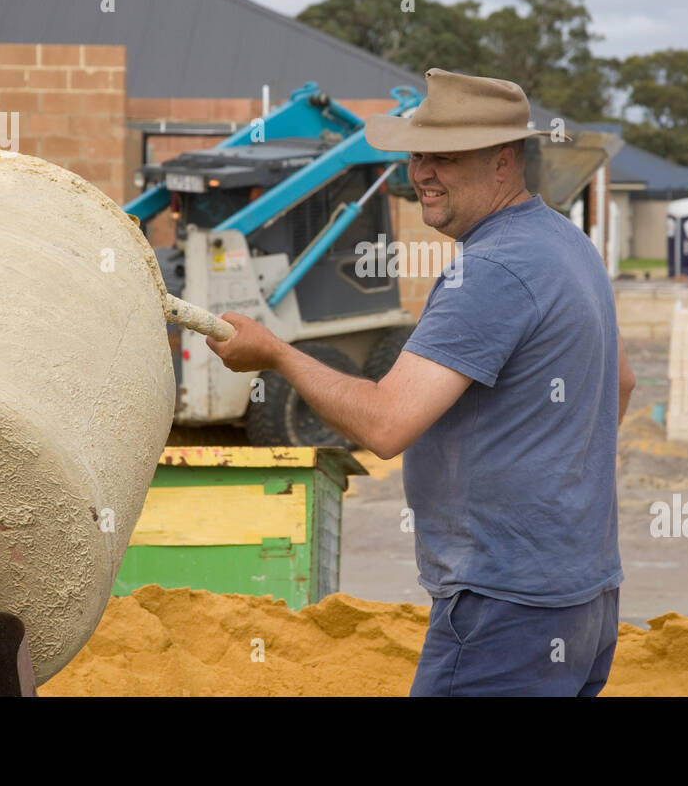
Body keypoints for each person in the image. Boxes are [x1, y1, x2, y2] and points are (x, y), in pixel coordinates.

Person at [207, 67, 634, 695]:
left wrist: (276, 354)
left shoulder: (490, 269)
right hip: (581, 597)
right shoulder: (567, 243)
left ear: (504, 161)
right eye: (417, 154)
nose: (421, 172)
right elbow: (620, 383)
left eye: (445, 157)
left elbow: (385, 423)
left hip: (504, 606)